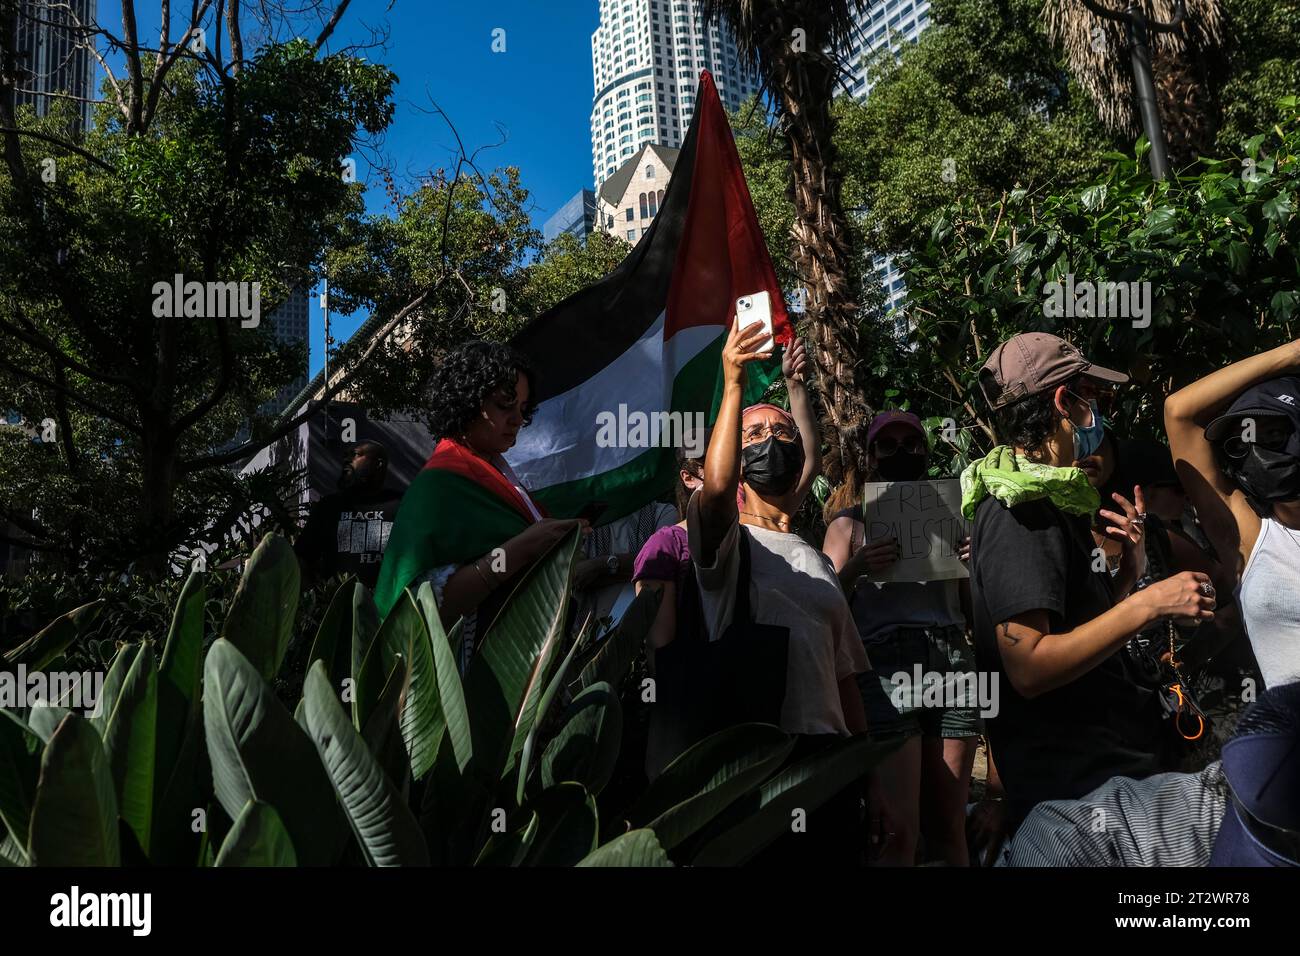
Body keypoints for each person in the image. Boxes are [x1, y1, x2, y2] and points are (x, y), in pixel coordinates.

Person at [963, 332, 1216, 830]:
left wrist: (1129, 577)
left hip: (1105, 780)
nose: (1098, 416)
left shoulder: (1050, 499)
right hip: (1082, 796)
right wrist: (1149, 605)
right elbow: (1029, 666)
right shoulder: (1023, 509)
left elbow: (1072, 630)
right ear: (1064, 401)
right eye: (1092, 399)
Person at [666, 316, 868, 861]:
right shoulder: (725, 543)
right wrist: (734, 382)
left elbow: (844, 673)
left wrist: (862, 760)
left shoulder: (815, 559)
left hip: (828, 763)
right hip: (759, 765)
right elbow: (715, 493)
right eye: (753, 434)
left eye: (780, 433)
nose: (771, 442)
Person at [822, 409, 980, 866]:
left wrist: (972, 564)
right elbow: (825, 606)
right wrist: (856, 567)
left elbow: (972, 608)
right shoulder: (847, 525)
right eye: (888, 445)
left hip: (952, 659)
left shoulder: (952, 519)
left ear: (925, 452)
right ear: (871, 456)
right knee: (897, 832)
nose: (900, 452)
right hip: (884, 668)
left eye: (910, 444)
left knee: (949, 823)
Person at [373, 341, 587, 669]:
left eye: (523, 408)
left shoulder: (499, 477)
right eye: (505, 405)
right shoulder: (440, 484)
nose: (517, 419)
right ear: (468, 402)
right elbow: (423, 606)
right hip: (469, 681)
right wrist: (526, 547)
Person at [633, 337, 822, 658]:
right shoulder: (667, 545)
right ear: (691, 476)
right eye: (719, 456)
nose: (730, 460)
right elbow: (660, 649)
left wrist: (794, 384)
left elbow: (810, 461)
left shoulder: (768, 511)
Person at [1165, 339, 1300, 689]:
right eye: (1240, 443)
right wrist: (1290, 354)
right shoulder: (1249, 534)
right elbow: (1179, 412)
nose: (1256, 452)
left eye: (1272, 434)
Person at [293, 441, 402, 591]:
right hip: (338, 609)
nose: (347, 460)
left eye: (355, 454)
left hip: (388, 609)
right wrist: (313, 597)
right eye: (345, 456)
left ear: (378, 463)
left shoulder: (401, 504)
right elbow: (301, 558)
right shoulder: (329, 506)